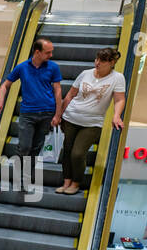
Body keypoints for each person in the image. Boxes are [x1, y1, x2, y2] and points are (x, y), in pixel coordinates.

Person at [51, 47, 126, 194]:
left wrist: (116, 115)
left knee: (77, 153)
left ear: (112, 62)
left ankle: (76, 183)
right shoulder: (85, 73)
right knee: (67, 150)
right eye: (97, 59)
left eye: (102, 61)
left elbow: (119, 99)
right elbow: (70, 95)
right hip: (70, 117)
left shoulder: (117, 78)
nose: (97, 63)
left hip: (93, 123)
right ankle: (66, 182)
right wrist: (59, 114)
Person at [0, 37, 62, 161]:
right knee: (24, 147)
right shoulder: (22, 67)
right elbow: (5, 85)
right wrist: (0, 101)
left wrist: (57, 114)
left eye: (51, 51)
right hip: (28, 113)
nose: (51, 55)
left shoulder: (53, 67)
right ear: (37, 52)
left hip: (47, 113)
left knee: (36, 147)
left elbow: (58, 90)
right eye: (48, 52)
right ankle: (19, 172)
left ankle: (27, 176)